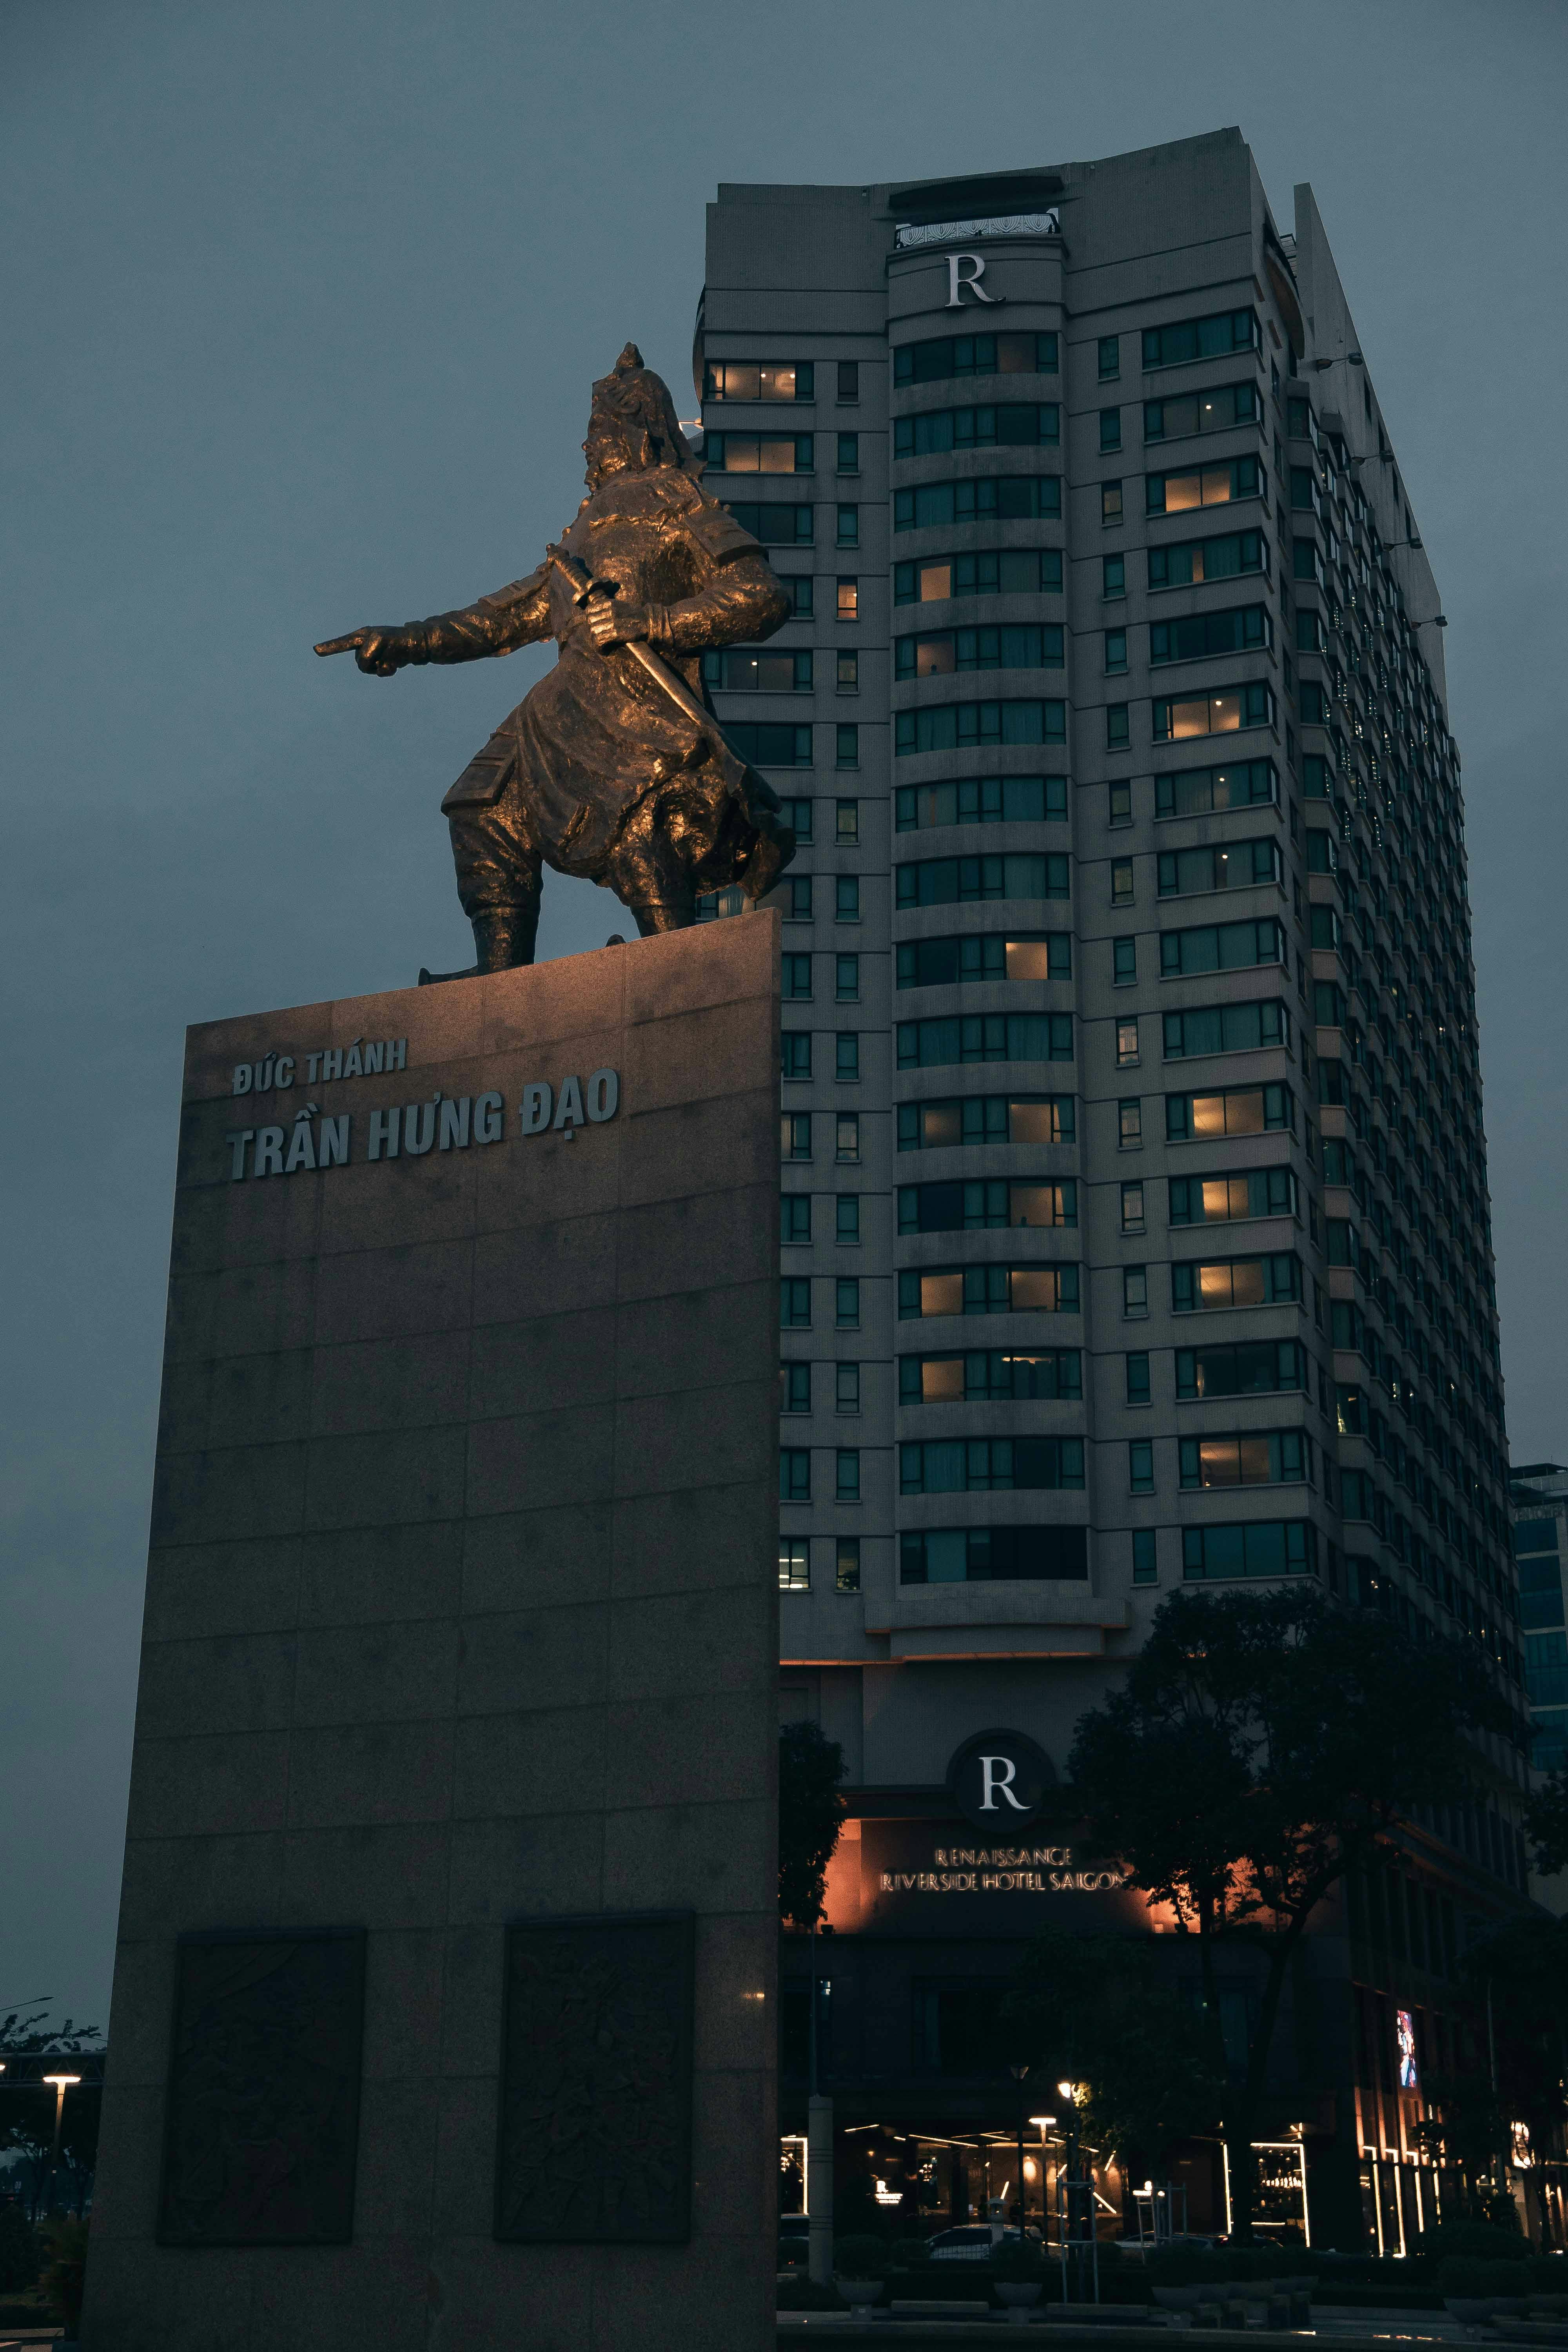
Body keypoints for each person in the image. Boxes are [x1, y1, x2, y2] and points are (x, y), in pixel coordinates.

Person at [319, 343, 795, 969]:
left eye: (599, 431)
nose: (587, 448)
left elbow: (759, 596)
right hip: (563, 703)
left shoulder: (683, 503)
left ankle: (674, 966)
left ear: (640, 436)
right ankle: (500, 969)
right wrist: (404, 640)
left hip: (641, 703)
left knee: (640, 826)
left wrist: (650, 619)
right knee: (484, 807)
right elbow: (500, 618)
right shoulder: (581, 534)